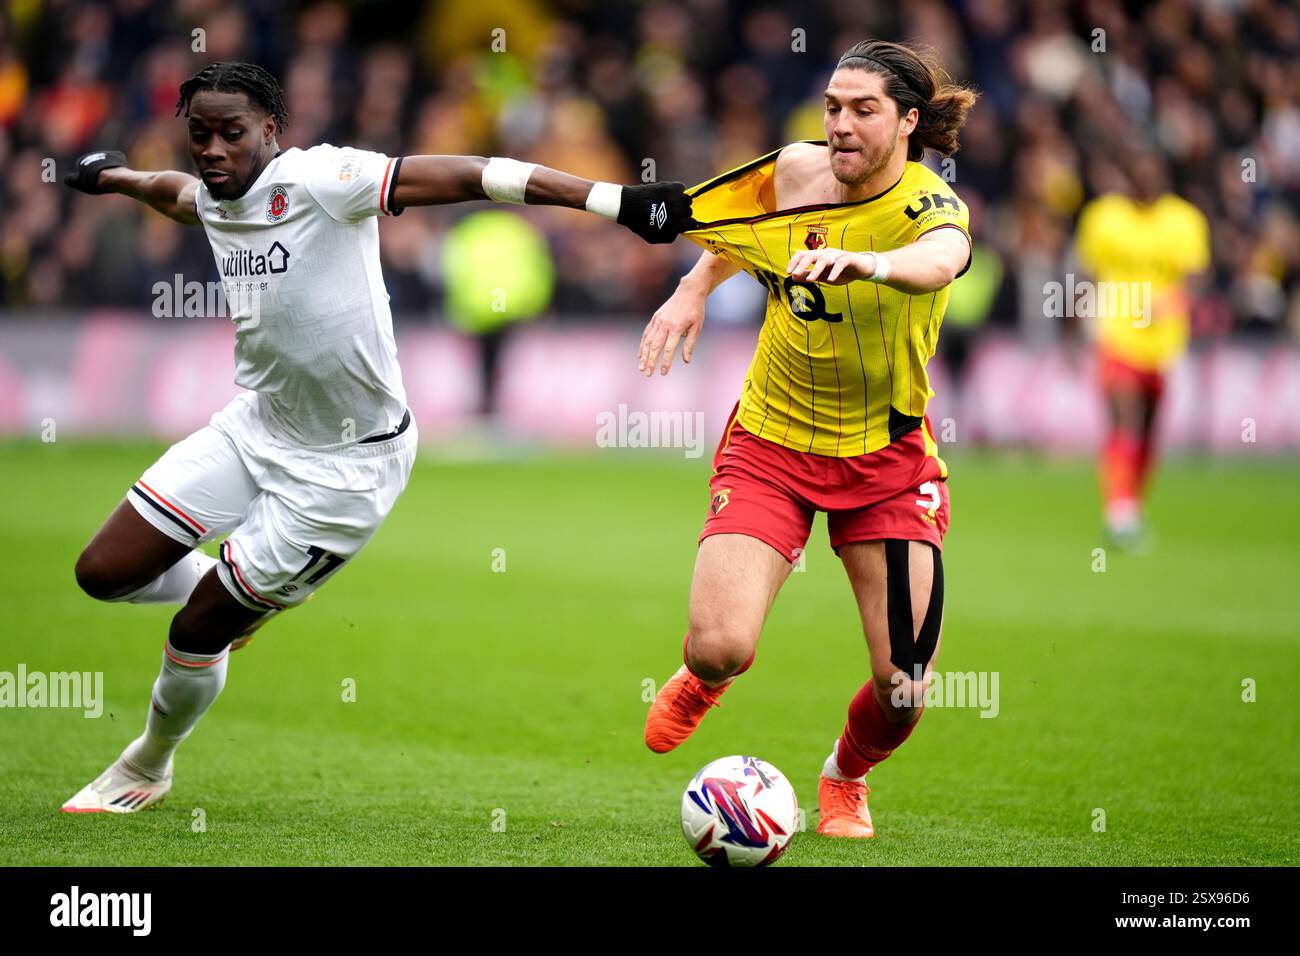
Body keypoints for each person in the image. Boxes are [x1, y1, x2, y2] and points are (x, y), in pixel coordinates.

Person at [60, 61, 695, 813]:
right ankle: (238, 593)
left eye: (233, 133)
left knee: (198, 631)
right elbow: (175, 197)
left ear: (271, 130)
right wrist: (116, 178)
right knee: (101, 573)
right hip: (257, 425)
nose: (214, 151)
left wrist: (612, 200)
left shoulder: (326, 179)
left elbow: (475, 173)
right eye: (200, 135)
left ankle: (148, 763)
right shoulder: (213, 191)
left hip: (346, 471)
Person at [637, 40, 976, 838]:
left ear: (907, 121)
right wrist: (690, 290)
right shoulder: (794, 171)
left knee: (903, 685)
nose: (842, 125)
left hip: (887, 461)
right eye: (833, 106)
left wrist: (869, 264)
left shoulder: (935, 210)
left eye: (864, 110)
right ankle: (704, 674)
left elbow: (940, 262)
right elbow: (730, 226)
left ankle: (844, 777)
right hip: (772, 441)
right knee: (722, 645)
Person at [1075, 148, 1210, 547]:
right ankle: (1118, 512)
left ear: (1163, 177)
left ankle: (1131, 505)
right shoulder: (1104, 217)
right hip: (1115, 335)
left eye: (1152, 173)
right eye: (1138, 173)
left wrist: (1170, 304)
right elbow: (1086, 272)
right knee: (1125, 419)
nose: (1144, 180)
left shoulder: (1185, 221)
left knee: (1149, 430)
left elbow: (1197, 278)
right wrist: (1076, 316)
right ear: (1128, 177)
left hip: (1164, 342)